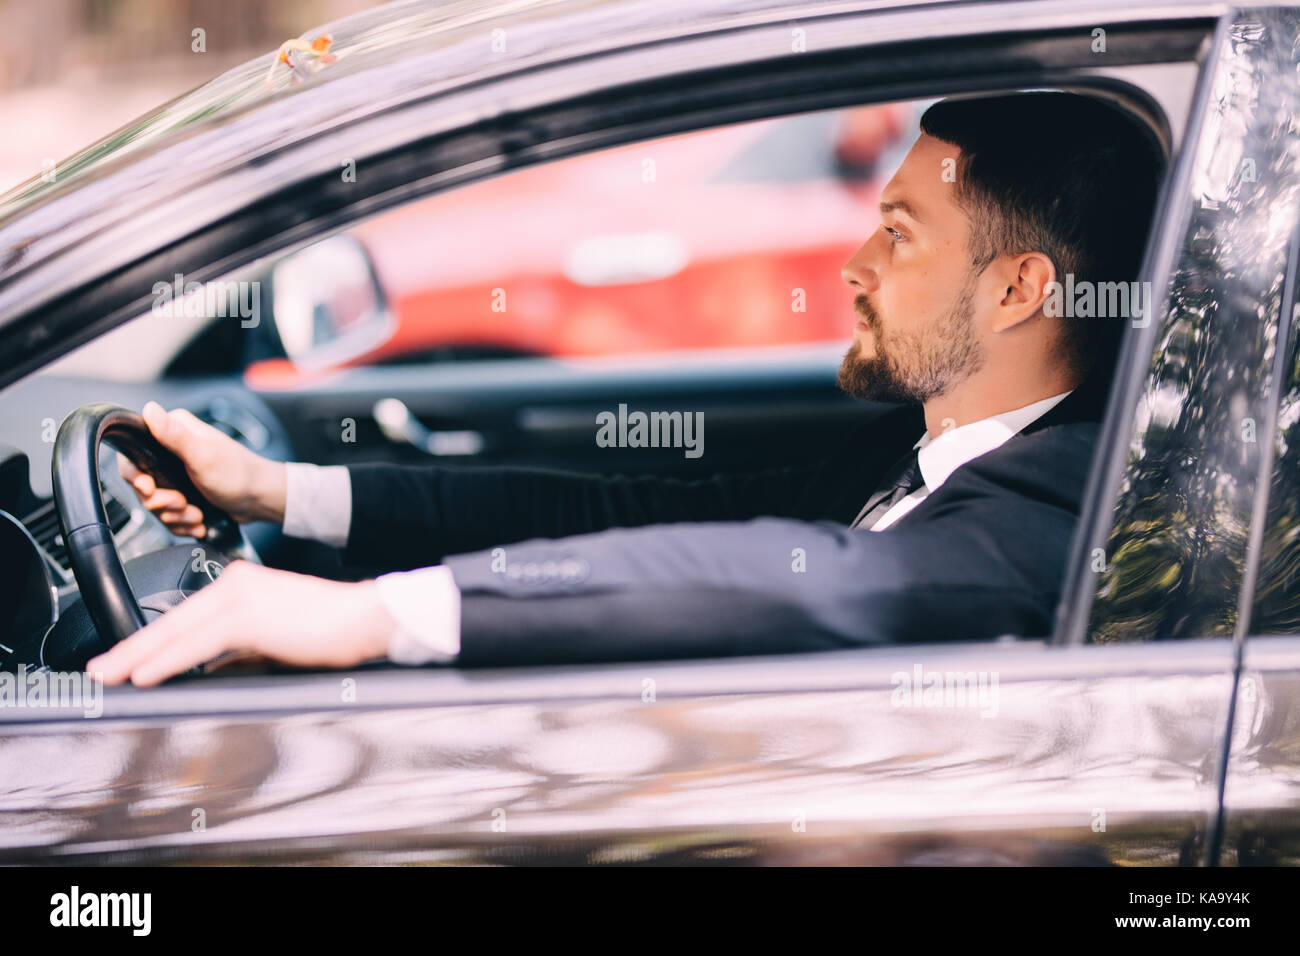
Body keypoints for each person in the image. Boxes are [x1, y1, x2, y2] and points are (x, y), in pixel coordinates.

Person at [89, 92, 1163, 686]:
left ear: (1019, 288)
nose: (853, 266)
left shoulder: (1054, 504)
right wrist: (284, 493)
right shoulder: (923, 447)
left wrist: (369, 621)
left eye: (898, 233)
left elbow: (821, 583)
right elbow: (633, 515)